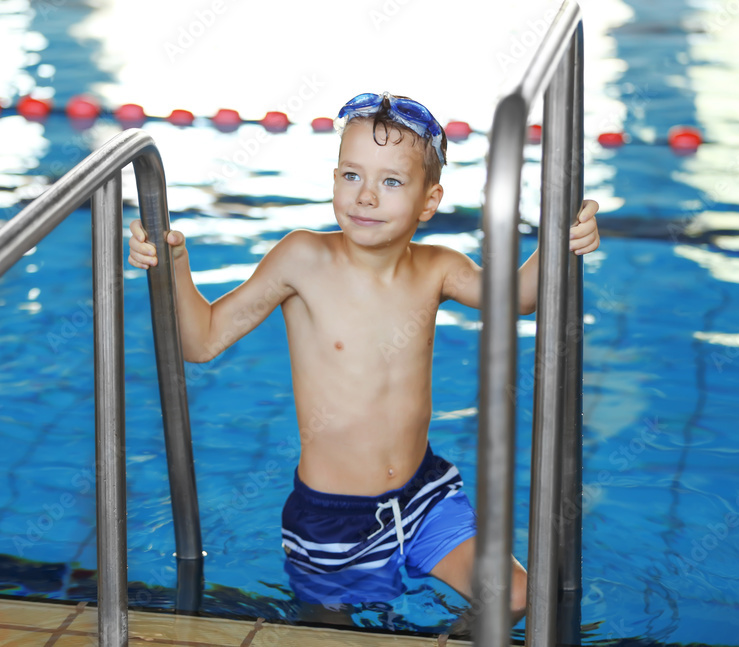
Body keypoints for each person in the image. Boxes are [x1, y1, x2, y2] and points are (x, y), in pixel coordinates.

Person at [128, 92, 600, 624]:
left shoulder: (438, 266)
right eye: (352, 176)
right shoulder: (302, 259)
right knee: (335, 634)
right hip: (334, 524)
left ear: (429, 201)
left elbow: (519, 297)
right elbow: (202, 340)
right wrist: (173, 264)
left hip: (424, 497)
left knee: (518, 595)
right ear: (334, 180)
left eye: (391, 182)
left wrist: (564, 237)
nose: (366, 197)